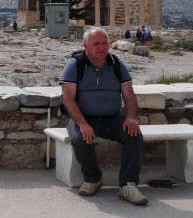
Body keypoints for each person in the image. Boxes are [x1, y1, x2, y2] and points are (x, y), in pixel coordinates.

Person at [59, 27, 146, 205]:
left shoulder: (116, 64)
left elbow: (129, 96)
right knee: (80, 138)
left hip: (111, 117)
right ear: (85, 46)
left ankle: (128, 185)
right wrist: (82, 124)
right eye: (96, 44)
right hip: (80, 117)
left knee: (134, 135)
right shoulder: (76, 64)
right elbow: (68, 99)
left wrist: (131, 118)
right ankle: (92, 178)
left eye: (104, 43)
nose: (101, 47)